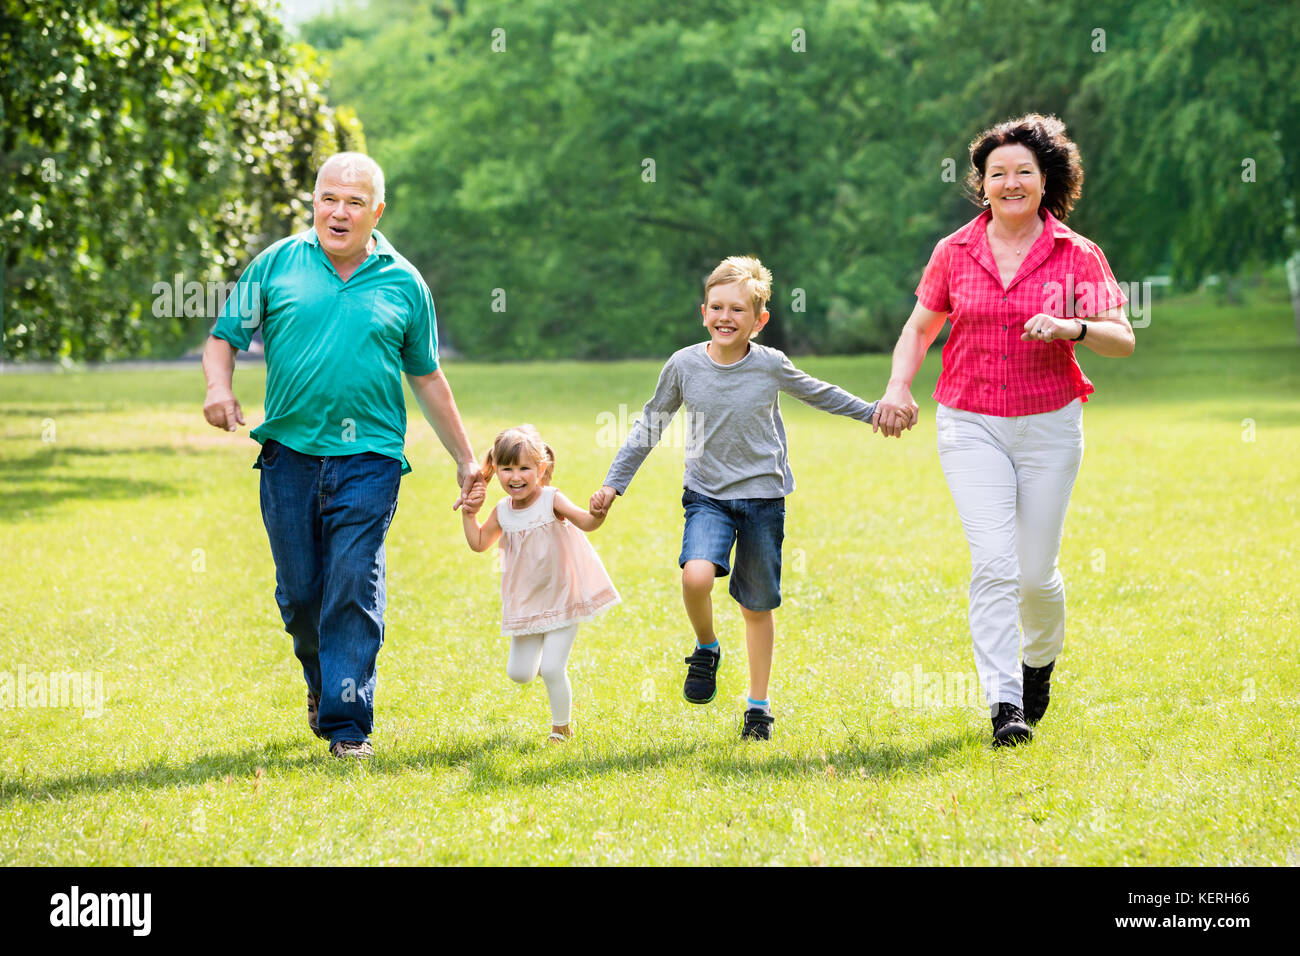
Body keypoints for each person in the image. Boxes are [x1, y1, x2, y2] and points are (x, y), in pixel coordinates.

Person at [202, 152, 479, 759]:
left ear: (376, 212)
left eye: (355, 202)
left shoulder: (404, 282)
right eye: (330, 197)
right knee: (301, 595)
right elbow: (224, 339)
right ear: (314, 202)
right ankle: (323, 680)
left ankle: (348, 725)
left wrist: (463, 456)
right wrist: (219, 387)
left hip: (371, 457)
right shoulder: (277, 264)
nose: (340, 211)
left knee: (352, 583)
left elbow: (428, 377)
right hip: (290, 454)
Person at [872, 114, 1135, 746]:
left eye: (1023, 172)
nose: (1010, 183)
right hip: (969, 423)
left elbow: (1122, 340)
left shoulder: (1078, 255)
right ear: (981, 184)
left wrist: (1071, 327)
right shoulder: (954, 251)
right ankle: (1005, 705)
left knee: (1036, 575)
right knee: (993, 564)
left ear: (1047, 181)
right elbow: (919, 328)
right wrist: (897, 386)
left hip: (1049, 426)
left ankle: (1037, 665)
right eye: (998, 174)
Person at [590, 255, 879, 740]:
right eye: (717, 307)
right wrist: (613, 483)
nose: (726, 317)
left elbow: (820, 393)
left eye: (739, 310)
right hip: (707, 494)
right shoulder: (683, 365)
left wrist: (873, 412)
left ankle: (758, 707)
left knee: (755, 606)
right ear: (703, 311)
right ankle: (706, 647)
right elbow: (650, 424)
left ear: (759, 320)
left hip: (764, 498)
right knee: (696, 575)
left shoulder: (770, 365)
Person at [460, 425, 619, 743]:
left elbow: (586, 522)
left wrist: (598, 512)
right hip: (527, 603)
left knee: (552, 668)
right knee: (519, 673)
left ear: (540, 469)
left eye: (524, 468)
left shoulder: (551, 500)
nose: (515, 477)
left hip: (563, 597)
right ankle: (544, 666)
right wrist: (469, 513)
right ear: (498, 469)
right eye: (506, 469)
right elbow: (479, 542)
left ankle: (561, 730)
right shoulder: (503, 511)